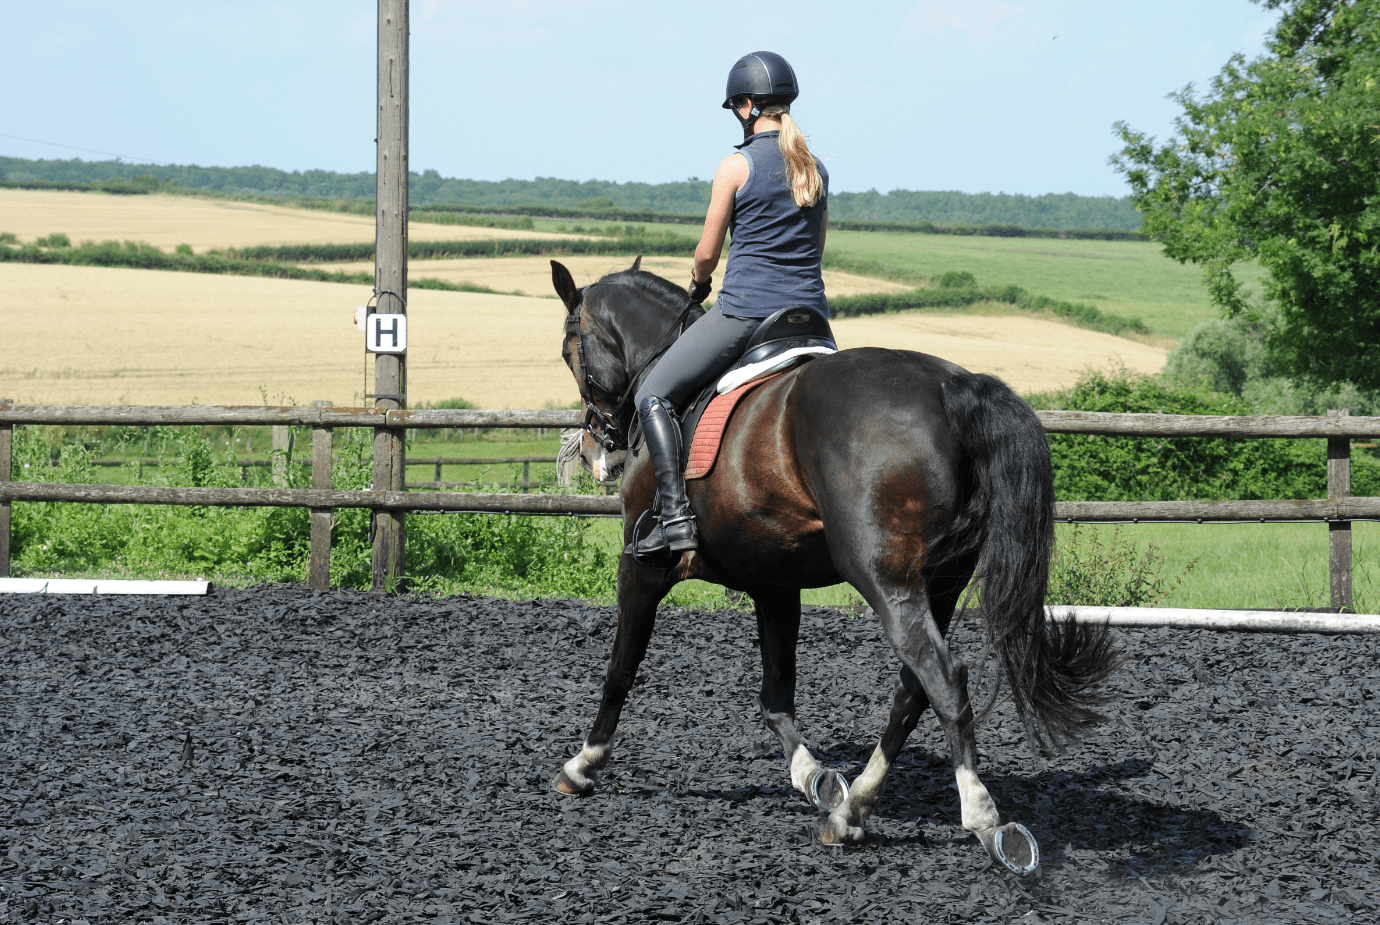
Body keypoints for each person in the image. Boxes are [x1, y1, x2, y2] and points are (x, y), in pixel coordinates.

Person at [630, 50, 830, 563]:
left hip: (746, 315)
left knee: (652, 393)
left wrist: (699, 283)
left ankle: (673, 517)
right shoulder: (815, 168)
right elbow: (816, 251)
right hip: (811, 321)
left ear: (744, 106)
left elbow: (706, 252)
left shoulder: (735, 165)